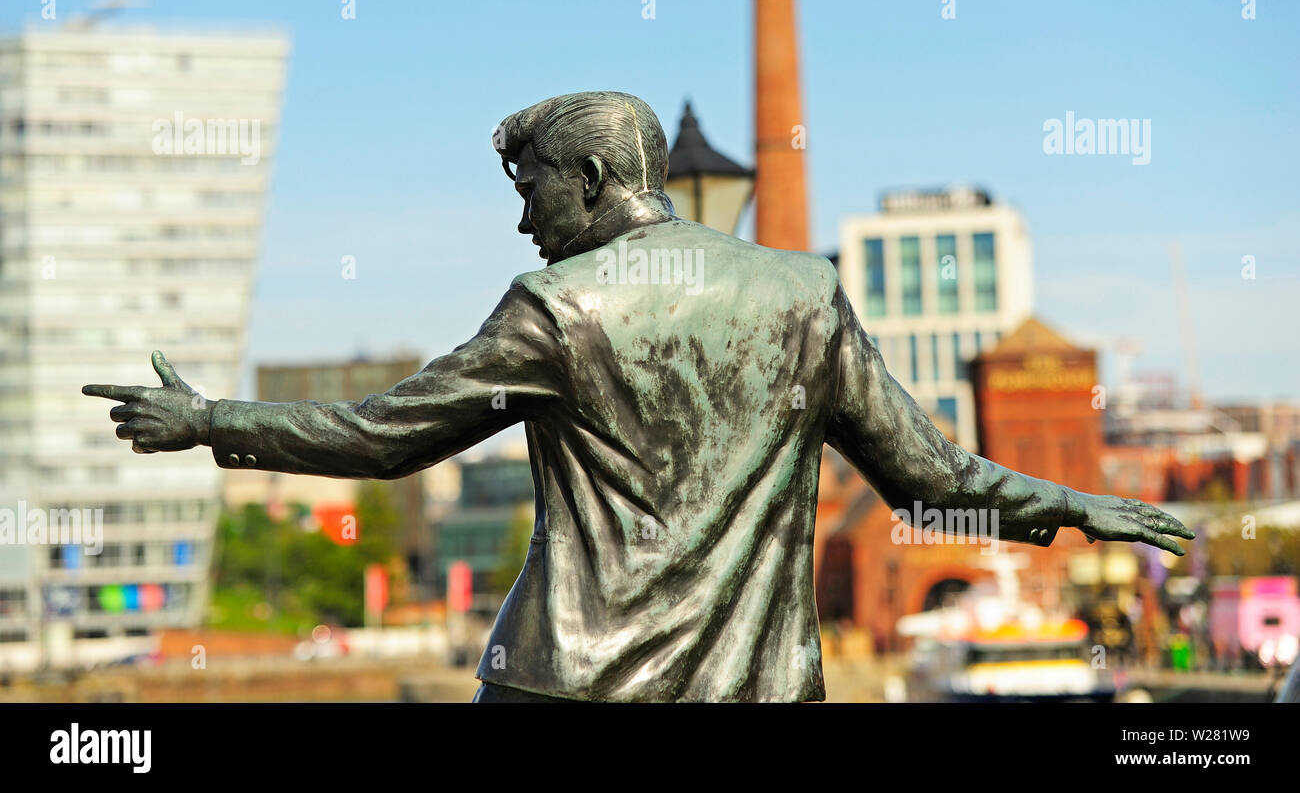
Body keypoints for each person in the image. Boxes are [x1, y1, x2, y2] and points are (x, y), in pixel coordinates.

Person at [84, 91, 1194, 702]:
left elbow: (385, 440)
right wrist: (1069, 505)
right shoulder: (805, 293)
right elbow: (929, 481)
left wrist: (210, 421)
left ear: (594, 183)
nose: (523, 224)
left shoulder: (554, 306)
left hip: (568, 686)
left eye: (529, 195)